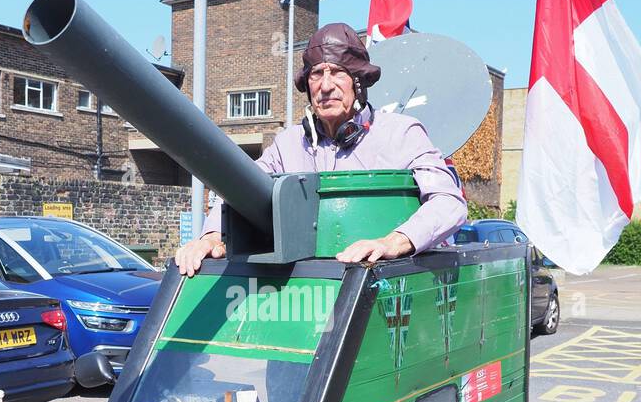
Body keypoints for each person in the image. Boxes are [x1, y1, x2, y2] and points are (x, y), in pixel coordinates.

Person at [175, 22, 468, 276]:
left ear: (358, 82)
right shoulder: (287, 144)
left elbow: (449, 203)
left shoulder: (401, 133)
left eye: (337, 72)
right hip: (306, 293)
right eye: (317, 74)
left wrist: (392, 242)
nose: (325, 86)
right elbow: (242, 190)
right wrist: (212, 237)